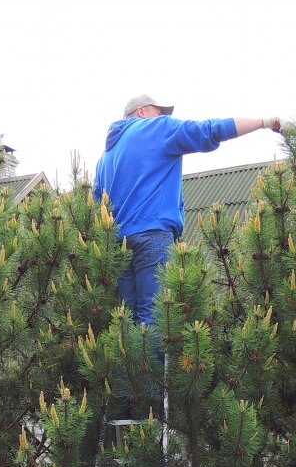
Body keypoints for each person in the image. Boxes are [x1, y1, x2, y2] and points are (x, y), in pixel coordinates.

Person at [93, 95, 283, 328]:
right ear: (141, 112)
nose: (162, 116)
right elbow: (209, 130)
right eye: (158, 110)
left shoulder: (105, 158)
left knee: (126, 325)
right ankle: (156, 366)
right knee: (154, 318)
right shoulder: (156, 128)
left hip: (119, 246)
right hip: (152, 237)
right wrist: (265, 122)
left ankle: (127, 367)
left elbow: (96, 205)